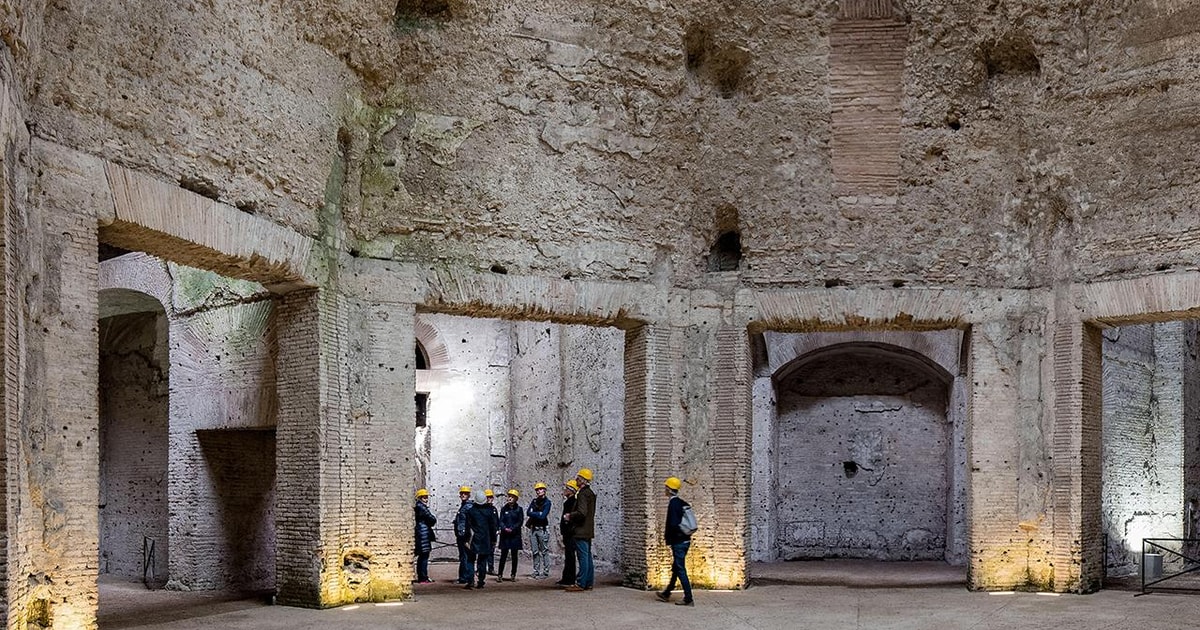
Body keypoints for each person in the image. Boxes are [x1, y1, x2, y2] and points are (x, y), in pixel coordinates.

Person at [656, 477, 694, 606]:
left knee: (680, 568)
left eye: (666, 487)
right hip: (685, 540)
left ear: (669, 489)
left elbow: (673, 524)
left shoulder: (673, 504)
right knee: (676, 568)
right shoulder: (682, 502)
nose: (664, 489)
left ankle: (688, 598)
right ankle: (667, 593)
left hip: (678, 542)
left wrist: (669, 538)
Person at [564, 468, 595, 592]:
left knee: (583, 557)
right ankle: (588, 582)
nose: (576, 479)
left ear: (582, 480)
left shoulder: (582, 494)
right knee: (588, 557)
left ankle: (581, 583)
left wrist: (570, 516)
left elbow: (582, 512)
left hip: (580, 530)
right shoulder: (591, 493)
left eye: (578, 478)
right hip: (588, 529)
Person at [465, 488, 498, 589]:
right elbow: (493, 527)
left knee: (470, 560)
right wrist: (493, 540)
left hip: (474, 538)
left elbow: (468, 526)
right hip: (485, 539)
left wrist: (466, 539)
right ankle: (481, 581)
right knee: (482, 561)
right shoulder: (489, 511)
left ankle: (470, 581)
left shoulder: (471, 511)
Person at [526, 482, 552, 579]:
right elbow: (528, 512)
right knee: (535, 551)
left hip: (542, 529)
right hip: (534, 529)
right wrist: (538, 513)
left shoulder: (547, 502)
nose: (538, 491)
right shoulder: (534, 501)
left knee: (544, 551)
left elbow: (543, 516)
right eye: (537, 490)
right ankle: (536, 571)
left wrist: (535, 513)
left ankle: (545, 572)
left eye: (540, 489)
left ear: (544, 490)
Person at [497, 489, 524, 581]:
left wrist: (512, 528)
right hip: (505, 536)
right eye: (509, 496)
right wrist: (504, 528)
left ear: (516, 499)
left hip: (514, 535)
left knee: (514, 556)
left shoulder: (519, 509)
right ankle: (500, 574)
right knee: (503, 556)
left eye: (512, 497)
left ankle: (513, 574)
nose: (510, 498)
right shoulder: (504, 509)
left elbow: (520, 521)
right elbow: (501, 521)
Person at [556, 479, 578, 586]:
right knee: (568, 556)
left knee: (570, 556)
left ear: (571, 490)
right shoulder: (570, 502)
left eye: (567, 488)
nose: (564, 490)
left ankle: (570, 578)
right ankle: (567, 577)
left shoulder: (572, 502)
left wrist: (567, 529)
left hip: (570, 533)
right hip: (568, 532)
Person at [414, 488, 438, 583]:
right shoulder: (422, 507)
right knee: (424, 556)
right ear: (420, 498)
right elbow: (432, 519)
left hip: (421, 532)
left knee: (422, 556)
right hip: (423, 534)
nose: (426, 499)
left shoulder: (418, 507)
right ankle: (423, 577)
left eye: (426, 497)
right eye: (424, 498)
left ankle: (422, 576)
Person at [455, 485, 475, 584]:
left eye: (465, 493)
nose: (463, 495)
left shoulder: (468, 506)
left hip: (465, 535)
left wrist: (467, 536)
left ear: (469, 495)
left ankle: (465, 577)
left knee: (465, 556)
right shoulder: (464, 505)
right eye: (462, 493)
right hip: (461, 534)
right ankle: (464, 577)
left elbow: (470, 522)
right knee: (463, 556)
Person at [484, 488, 500, 575]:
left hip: (493, 534)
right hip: (485, 534)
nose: (489, 499)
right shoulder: (482, 509)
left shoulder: (494, 509)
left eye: (490, 497)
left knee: (491, 552)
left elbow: (497, 520)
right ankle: (481, 568)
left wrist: (498, 529)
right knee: (482, 552)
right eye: (487, 497)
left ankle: (490, 568)